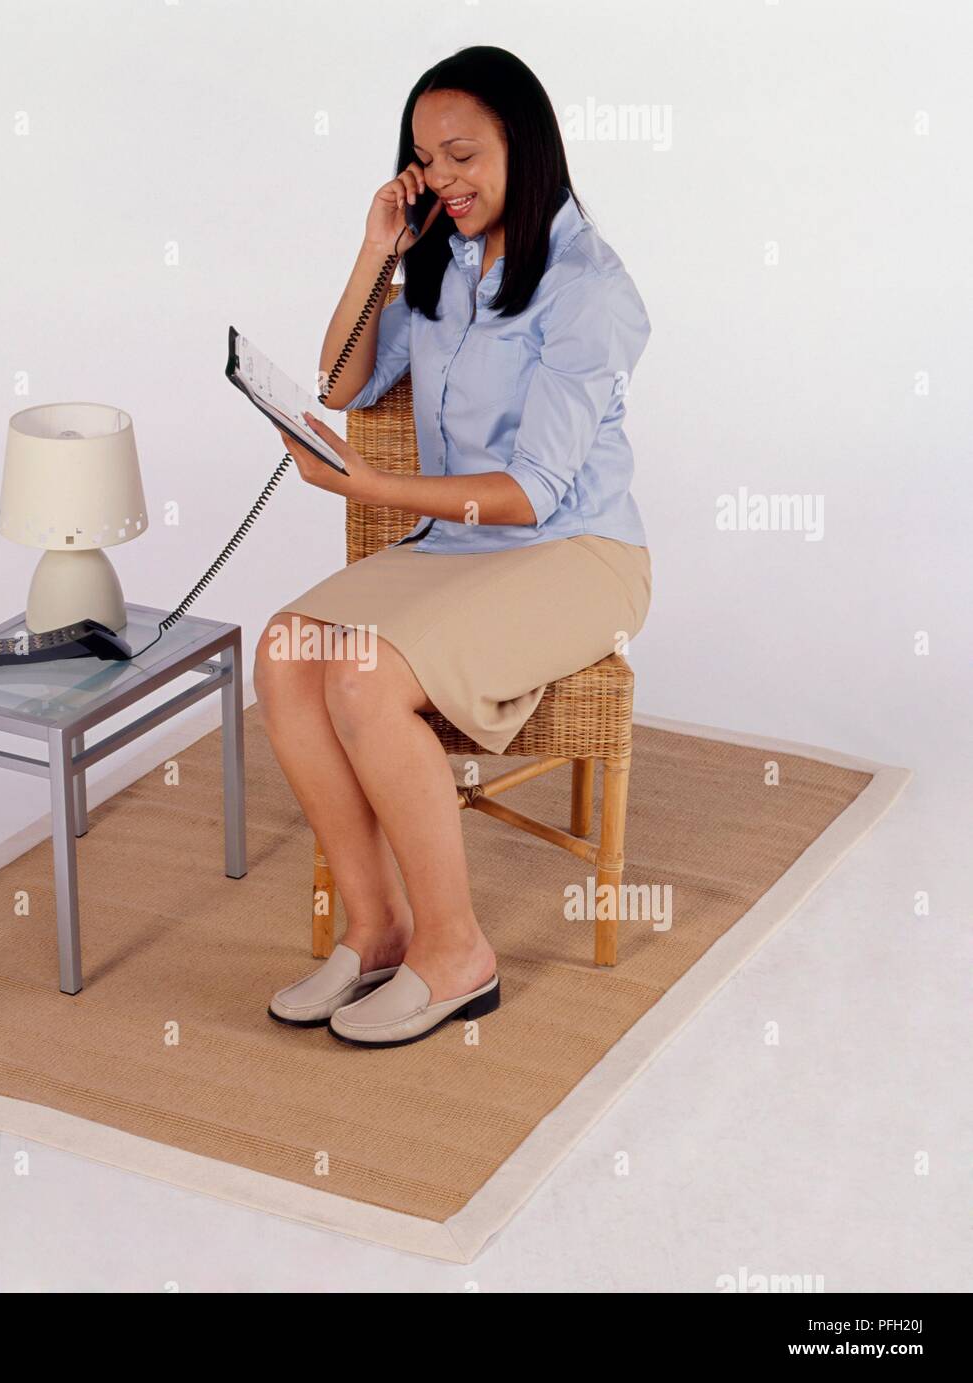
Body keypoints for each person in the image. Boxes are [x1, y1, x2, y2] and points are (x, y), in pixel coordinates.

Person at [254, 45, 653, 1049]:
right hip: (455, 545)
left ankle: (455, 952)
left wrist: (371, 487)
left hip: (574, 554)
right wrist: (378, 245)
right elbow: (339, 383)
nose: (444, 179)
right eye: (426, 160)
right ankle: (377, 928)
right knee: (285, 653)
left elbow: (530, 494)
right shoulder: (441, 261)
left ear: (525, 144)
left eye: (463, 154)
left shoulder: (585, 290)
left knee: (360, 679)